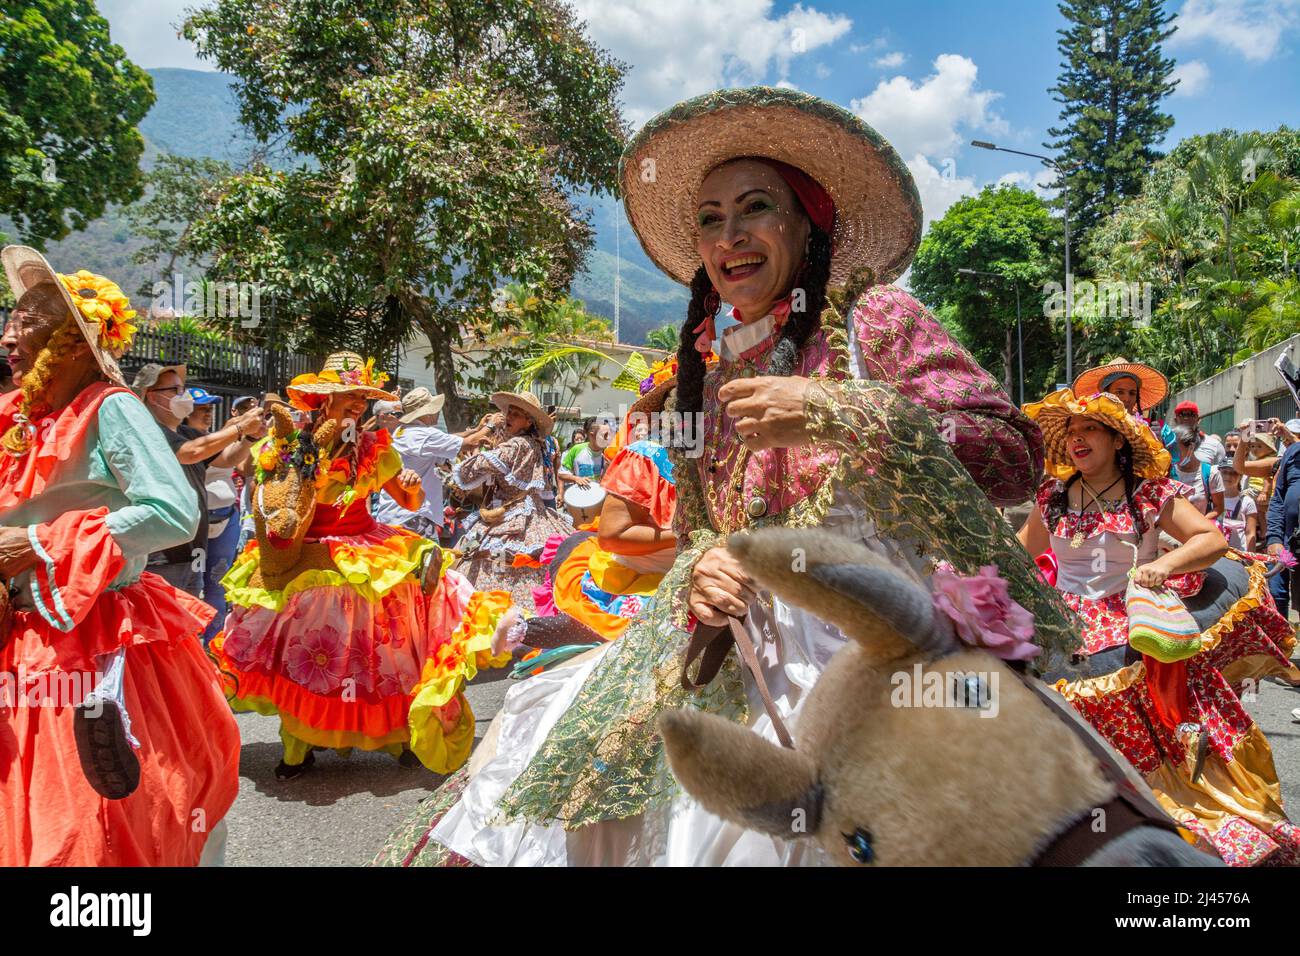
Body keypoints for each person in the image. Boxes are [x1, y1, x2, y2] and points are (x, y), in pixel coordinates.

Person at [375, 86, 1064, 867]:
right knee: (558, 763)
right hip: (742, 649)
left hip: (886, 650)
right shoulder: (700, 367)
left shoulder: (876, 322)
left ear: (808, 223)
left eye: (755, 207)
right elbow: (700, 524)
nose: (729, 234)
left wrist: (847, 412)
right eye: (709, 217)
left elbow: (1013, 459)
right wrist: (704, 562)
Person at [0, 247, 238, 864]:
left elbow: (172, 512)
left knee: (88, 823)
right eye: (12, 317)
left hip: (92, 633)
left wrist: (39, 544)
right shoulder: (21, 418)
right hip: (14, 632)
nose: (8, 333)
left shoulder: (113, 408)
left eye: (28, 321)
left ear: (76, 343)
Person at [1018, 388, 1299, 865]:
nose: (1078, 439)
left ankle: (1163, 827)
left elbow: (1209, 539)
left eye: (1090, 429)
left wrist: (1163, 567)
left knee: (1165, 739)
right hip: (1062, 630)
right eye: (1072, 432)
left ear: (1117, 440)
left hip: (1133, 626)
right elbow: (1019, 556)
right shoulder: (1052, 497)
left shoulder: (1148, 493)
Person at [213, 352, 509, 779]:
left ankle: (396, 735)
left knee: (383, 648)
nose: (357, 405)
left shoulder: (374, 449)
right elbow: (271, 492)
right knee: (309, 649)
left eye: (362, 398)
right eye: (348, 396)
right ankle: (299, 745)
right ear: (324, 400)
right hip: (309, 553)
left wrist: (410, 488)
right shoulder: (292, 443)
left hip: (367, 548)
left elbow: (409, 501)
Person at [133, 364, 266, 598]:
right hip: (161, 555)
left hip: (192, 550)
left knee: (189, 623)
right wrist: (239, 428)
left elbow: (227, 459)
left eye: (182, 388)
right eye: (175, 389)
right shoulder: (148, 432)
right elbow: (191, 453)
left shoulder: (187, 434)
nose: (183, 395)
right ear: (152, 396)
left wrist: (249, 438)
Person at [448, 391, 574, 606]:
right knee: (503, 559)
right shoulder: (532, 443)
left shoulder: (518, 445)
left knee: (502, 561)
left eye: (516, 414)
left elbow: (473, 469)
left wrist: (477, 450)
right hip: (521, 510)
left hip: (515, 515)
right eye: (509, 412)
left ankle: (501, 612)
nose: (509, 417)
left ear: (528, 421)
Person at [374, 386, 493, 539]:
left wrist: (476, 429)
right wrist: (491, 425)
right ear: (427, 412)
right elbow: (469, 443)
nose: (437, 412)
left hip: (393, 513)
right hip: (413, 517)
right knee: (425, 561)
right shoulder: (424, 434)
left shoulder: (403, 430)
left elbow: (449, 438)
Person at [1171, 424, 1224, 518]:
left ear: (1191, 447)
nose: (1171, 454)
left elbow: (1219, 507)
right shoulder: (1168, 472)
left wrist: (1200, 523)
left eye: (1175, 449)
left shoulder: (1210, 473)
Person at [1219, 459, 1259, 552]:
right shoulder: (1212, 498)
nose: (1228, 476)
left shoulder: (1247, 501)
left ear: (1240, 476)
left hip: (1238, 553)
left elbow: (1250, 533)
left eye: (1234, 473)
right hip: (1214, 552)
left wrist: (1250, 559)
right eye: (1224, 472)